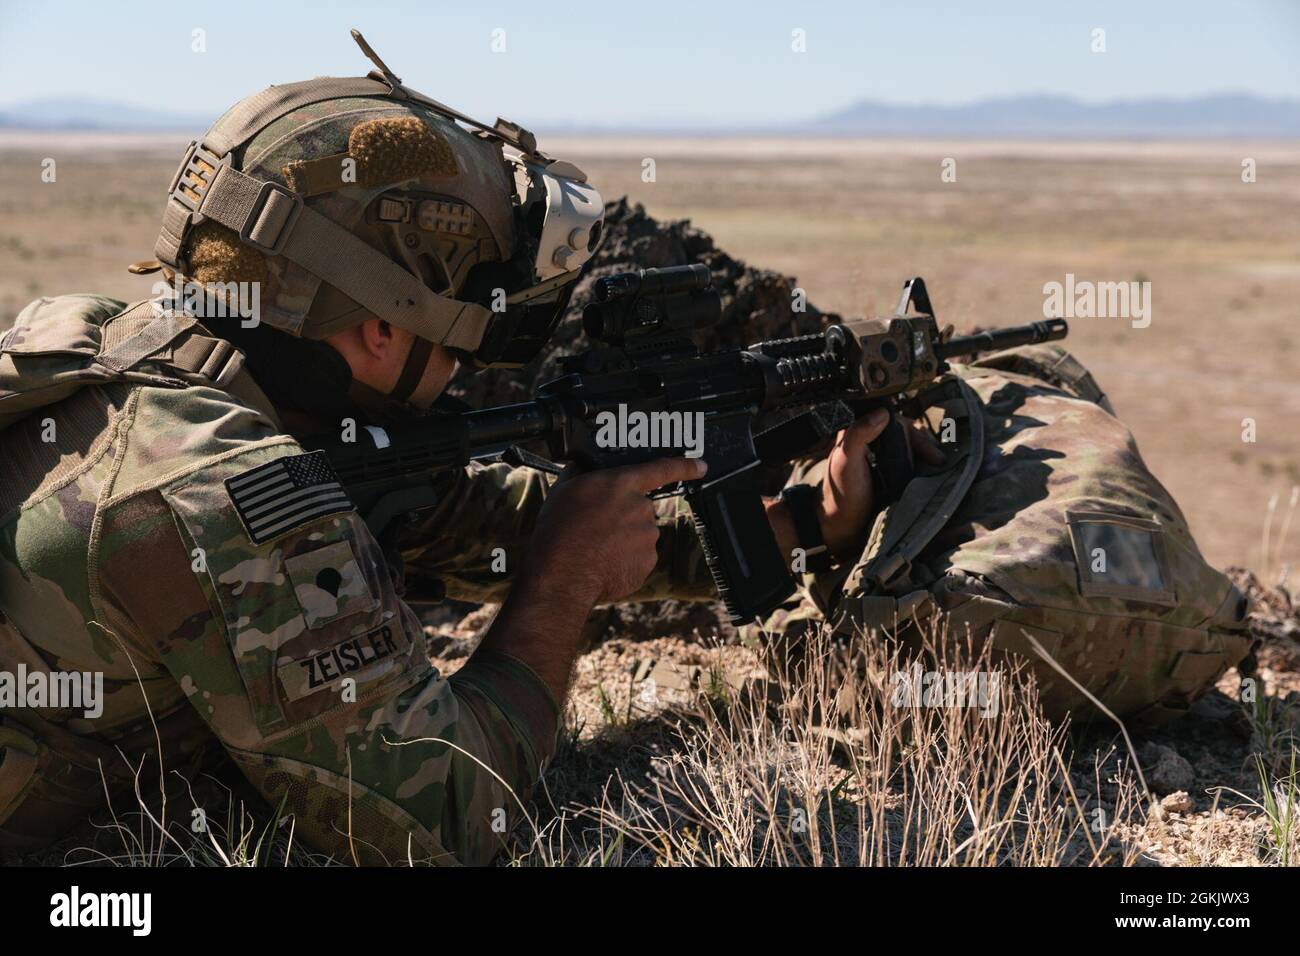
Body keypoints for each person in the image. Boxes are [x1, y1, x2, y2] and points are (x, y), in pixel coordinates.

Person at [0, 46, 901, 865]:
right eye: (473, 312)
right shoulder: (215, 496)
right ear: (384, 329)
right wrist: (561, 590)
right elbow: (452, 818)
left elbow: (447, 512)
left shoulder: (140, 347)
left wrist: (795, 524)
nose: (475, 352)